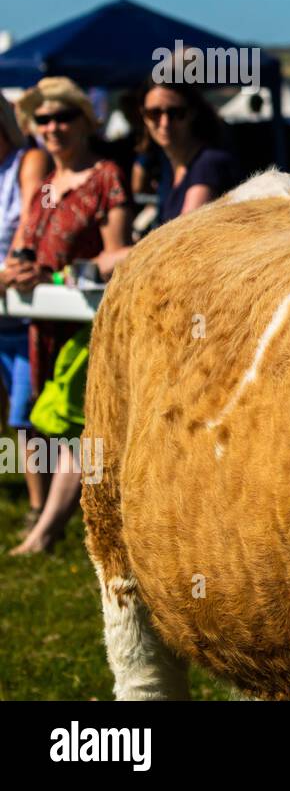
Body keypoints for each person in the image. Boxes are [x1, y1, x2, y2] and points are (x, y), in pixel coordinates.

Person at [9, 77, 131, 556]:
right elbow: (27, 243)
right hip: (41, 321)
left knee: (82, 426)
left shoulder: (106, 177)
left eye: (63, 117)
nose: (53, 127)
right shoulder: (43, 186)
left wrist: (55, 275)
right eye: (43, 119)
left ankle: (56, 531)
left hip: (84, 323)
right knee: (47, 422)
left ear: (86, 122)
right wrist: (17, 269)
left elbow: (115, 255)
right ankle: (61, 522)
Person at [0, 97, 52, 537]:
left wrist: (9, 267)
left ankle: (40, 509)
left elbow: (28, 221)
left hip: (24, 303)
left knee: (24, 414)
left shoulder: (27, 160)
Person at [139, 80, 241, 227]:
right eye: (154, 113)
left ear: (192, 113)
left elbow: (184, 237)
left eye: (176, 113)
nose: (164, 123)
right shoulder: (171, 166)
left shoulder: (208, 164)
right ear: (143, 115)